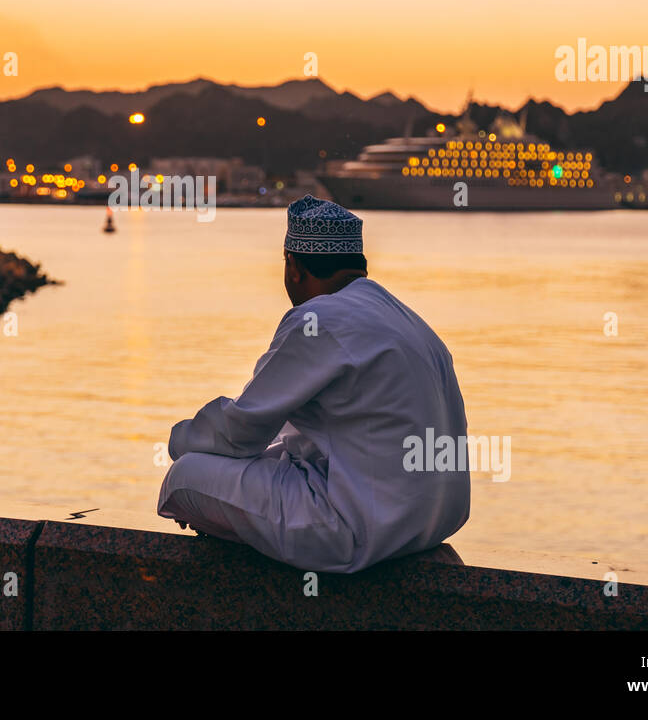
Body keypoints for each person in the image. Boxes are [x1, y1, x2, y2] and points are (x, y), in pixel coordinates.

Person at [157, 194, 471, 572]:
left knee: (186, 475)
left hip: (359, 532)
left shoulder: (319, 317)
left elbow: (241, 433)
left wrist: (180, 442)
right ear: (360, 265)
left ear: (293, 267)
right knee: (281, 448)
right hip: (432, 524)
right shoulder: (407, 319)